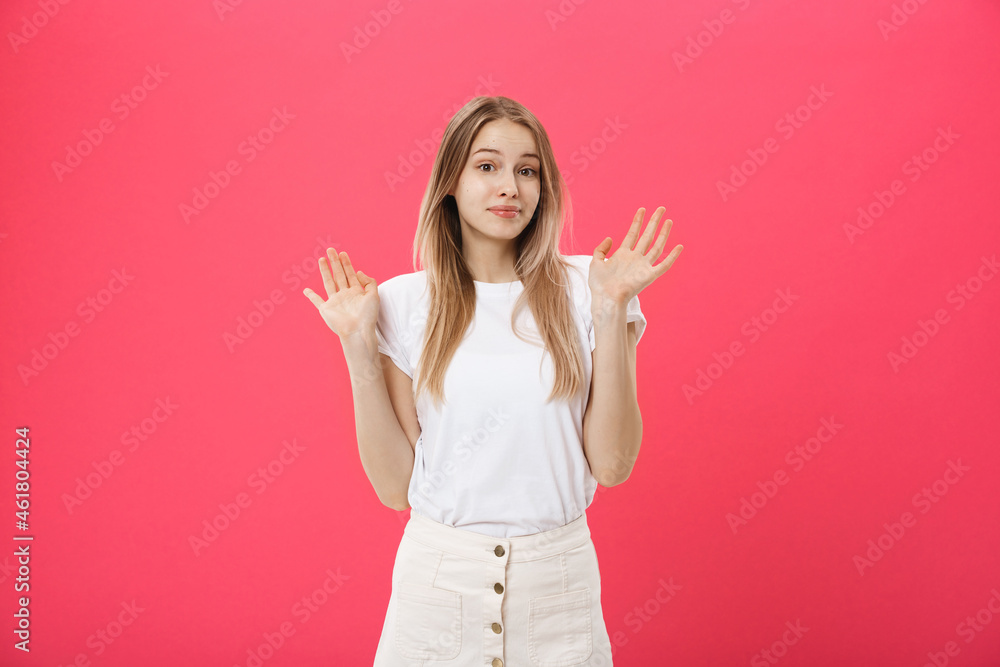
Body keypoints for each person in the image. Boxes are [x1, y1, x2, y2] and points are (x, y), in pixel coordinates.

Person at [303, 95, 682, 667]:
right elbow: (394, 489)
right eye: (488, 166)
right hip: (437, 590)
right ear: (450, 183)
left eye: (527, 170)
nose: (511, 186)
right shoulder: (402, 303)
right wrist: (357, 348)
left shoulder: (593, 287)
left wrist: (610, 312)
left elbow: (613, 464)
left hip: (558, 589)